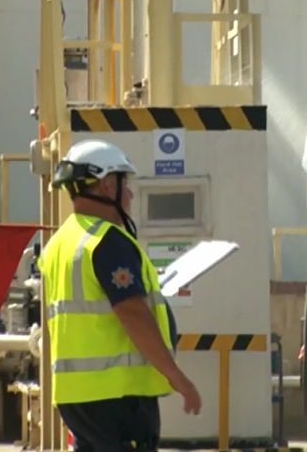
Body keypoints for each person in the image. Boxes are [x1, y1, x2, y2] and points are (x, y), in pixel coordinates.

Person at [38, 139, 202, 452]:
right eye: (124, 184)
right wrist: (177, 377)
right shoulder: (106, 241)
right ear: (106, 186)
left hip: (76, 399)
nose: (129, 194)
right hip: (117, 398)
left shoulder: (60, 243)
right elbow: (132, 313)